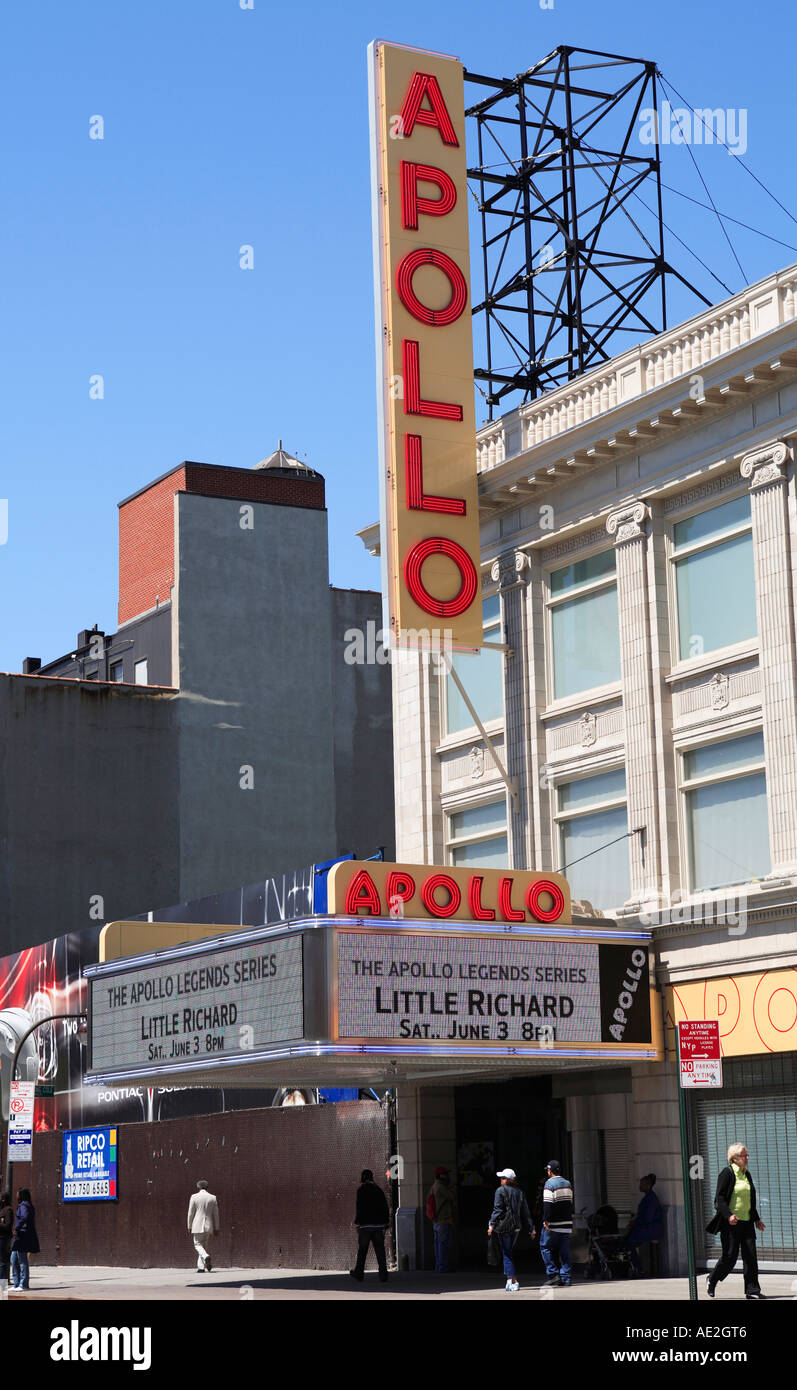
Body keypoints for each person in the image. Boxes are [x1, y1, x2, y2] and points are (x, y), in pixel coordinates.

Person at [706, 1143, 766, 1300]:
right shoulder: (727, 1173)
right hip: (731, 1223)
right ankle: (712, 1279)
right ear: (734, 1158)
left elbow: (749, 1200)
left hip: (746, 1222)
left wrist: (757, 1219)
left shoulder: (746, 1174)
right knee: (729, 1257)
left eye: (747, 1155)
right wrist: (728, 1215)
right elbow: (719, 1198)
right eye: (744, 1155)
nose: (747, 1158)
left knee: (750, 1257)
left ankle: (752, 1290)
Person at [487, 1168, 535, 1293]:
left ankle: (513, 1280)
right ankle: (509, 1280)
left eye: (503, 1178)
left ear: (508, 1180)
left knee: (507, 1253)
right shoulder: (519, 1192)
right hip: (516, 1227)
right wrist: (531, 1229)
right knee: (507, 1252)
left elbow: (497, 1210)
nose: (501, 1180)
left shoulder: (500, 1191)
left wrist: (491, 1225)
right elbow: (526, 1212)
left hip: (504, 1227)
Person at [350, 1168, 389, 1284]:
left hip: (365, 1226)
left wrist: (358, 1223)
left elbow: (359, 1207)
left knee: (363, 1250)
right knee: (380, 1250)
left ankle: (359, 1272)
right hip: (378, 1225)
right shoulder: (378, 1190)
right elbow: (385, 1207)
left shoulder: (361, 1190)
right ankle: (383, 1274)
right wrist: (386, 1223)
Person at [622, 1173, 663, 1275]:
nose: (639, 1186)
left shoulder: (651, 1199)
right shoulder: (647, 1198)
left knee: (629, 1242)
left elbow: (647, 1218)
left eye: (642, 1184)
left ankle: (638, 1267)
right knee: (626, 1240)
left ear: (648, 1185)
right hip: (645, 1228)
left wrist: (634, 1223)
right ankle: (635, 1266)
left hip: (650, 1229)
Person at [541, 1160, 573, 1287]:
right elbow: (570, 1202)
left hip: (554, 1223)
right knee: (564, 1251)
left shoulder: (549, 1183)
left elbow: (547, 1204)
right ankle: (566, 1278)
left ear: (550, 1171)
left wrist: (546, 1220)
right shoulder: (567, 1183)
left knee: (545, 1247)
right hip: (566, 1223)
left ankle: (553, 1275)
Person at [426, 1165, 455, 1273]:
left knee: (438, 1244)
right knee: (443, 1244)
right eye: (446, 1174)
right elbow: (452, 1196)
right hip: (443, 1219)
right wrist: (450, 1186)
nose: (448, 1176)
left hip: (437, 1220)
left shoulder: (434, 1186)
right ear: (441, 1176)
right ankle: (443, 1266)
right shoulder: (441, 1187)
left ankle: (439, 1265)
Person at [9, 1188, 40, 1290]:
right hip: (20, 1235)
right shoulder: (25, 1205)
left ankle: (24, 1284)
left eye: (18, 1194)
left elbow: (24, 1217)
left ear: (21, 1195)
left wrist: (17, 1228)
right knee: (14, 1259)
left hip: (22, 1235)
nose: (16, 1196)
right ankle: (17, 1283)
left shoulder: (24, 1205)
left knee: (22, 1260)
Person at [187, 1179, 219, 1273]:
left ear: (198, 1187)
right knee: (204, 1245)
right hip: (208, 1225)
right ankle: (201, 1267)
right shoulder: (212, 1197)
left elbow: (190, 1212)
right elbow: (216, 1214)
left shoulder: (194, 1197)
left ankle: (205, 1257)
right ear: (207, 1187)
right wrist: (217, 1227)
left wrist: (189, 1225)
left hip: (197, 1224)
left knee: (197, 1244)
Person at [0, 1191, 13, 1284]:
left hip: (3, 1239)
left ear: (3, 1199)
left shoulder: (8, 1210)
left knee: (3, 1262)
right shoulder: (1, 1209)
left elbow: (8, 1225)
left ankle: (3, 1286)